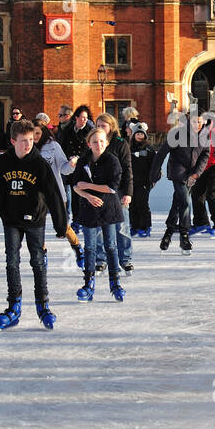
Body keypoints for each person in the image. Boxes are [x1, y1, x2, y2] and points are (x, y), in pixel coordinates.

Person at [0, 118, 68, 328]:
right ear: (12, 141)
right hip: (11, 220)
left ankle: (43, 305)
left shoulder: (39, 163)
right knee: (12, 262)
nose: (28, 145)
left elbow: (53, 194)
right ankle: (14, 305)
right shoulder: (3, 162)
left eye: (30, 140)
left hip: (35, 219)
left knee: (37, 261)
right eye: (23, 141)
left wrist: (60, 224)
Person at [67, 126, 125, 303]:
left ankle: (115, 283)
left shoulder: (112, 160)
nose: (98, 144)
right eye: (94, 141)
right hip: (89, 210)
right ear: (89, 143)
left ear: (106, 143)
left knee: (111, 246)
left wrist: (89, 187)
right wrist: (88, 195)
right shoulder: (84, 161)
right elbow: (76, 185)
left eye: (101, 141)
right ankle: (88, 283)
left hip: (109, 208)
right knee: (90, 248)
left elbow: (112, 187)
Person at [148, 114, 209, 252]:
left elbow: (205, 155)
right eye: (194, 121)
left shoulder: (205, 136)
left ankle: (168, 234)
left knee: (178, 202)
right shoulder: (177, 133)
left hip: (192, 174)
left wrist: (196, 173)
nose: (197, 125)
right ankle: (184, 235)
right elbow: (161, 154)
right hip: (178, 171)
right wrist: (154, 175)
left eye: (199, 122)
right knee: (186, 202)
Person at [92, 113, 134, 273]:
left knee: (121, 227)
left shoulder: (120, 143)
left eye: (103, 125)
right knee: (98, 227)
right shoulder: (93, 141)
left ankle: (126, 259)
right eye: (98, 125)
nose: (100, 128)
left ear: (111, 126)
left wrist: (128, 193)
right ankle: (100, 259)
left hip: (118, 190)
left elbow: (128, 169)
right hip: (98, 190)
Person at [128, 124, 156, 237]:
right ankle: (134, 226)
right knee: (132, 204)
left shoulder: (149, 149)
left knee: (142, 204)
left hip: (144, 182)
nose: (139, 136)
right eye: (137, 134)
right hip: (131, 181)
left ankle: (145, 226)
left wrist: (153, 179)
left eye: (141, 134)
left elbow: (155, 166)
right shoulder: (128, 148)